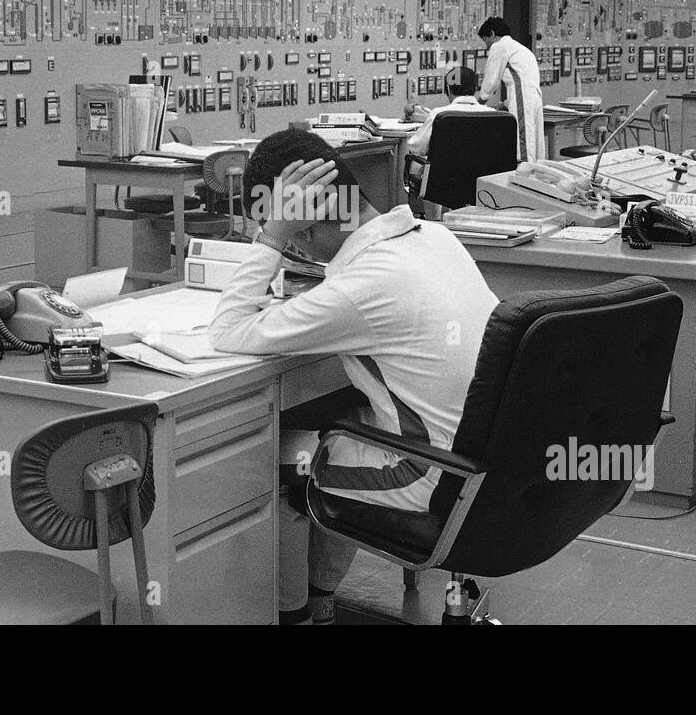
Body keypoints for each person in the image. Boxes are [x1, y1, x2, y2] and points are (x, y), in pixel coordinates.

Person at [208, 129, 498, 624]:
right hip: (493, 467)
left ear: (303, 227)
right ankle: (320, 600)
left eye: (289, 230)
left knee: (275, 460)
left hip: (433, 480)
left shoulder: (363, 284)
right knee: (345, 417)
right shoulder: (435, 237)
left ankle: (293, 614)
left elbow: (228, 329)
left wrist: (271, 236)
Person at [478, 16, 546, 162]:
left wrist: (478, 103)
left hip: (523, 96)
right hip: (534, 96)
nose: (487, 46)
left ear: (492, 34)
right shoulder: (518, 47)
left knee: (523, 142)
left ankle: (524, 173)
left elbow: (490, 81)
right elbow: (519, 78)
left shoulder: (499, 46)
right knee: (532, 137)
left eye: (485, 40)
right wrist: (507, 103)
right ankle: (534, 170)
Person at [405, 65, 497, 155]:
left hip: (446, 170)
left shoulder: (440, 115)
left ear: (448, 89)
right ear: (475, 88)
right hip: (486, 170)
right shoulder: (493, 114)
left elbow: (416, 147)